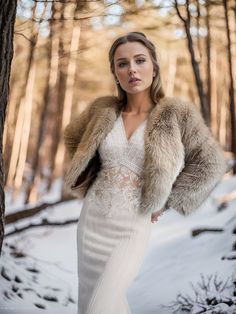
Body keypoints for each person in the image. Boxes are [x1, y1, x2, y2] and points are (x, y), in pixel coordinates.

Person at [63, 32, 227, 314]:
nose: (132, 70)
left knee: (99, 306)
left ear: (154, 66)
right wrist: (89, 175)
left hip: (133, 225)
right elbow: (72, 138)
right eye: (122, 64)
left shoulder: (176, 114)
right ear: (114, 72)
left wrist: (167, 198)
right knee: (95, 303)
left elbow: (211, 163)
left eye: (140, 60)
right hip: (92, 221)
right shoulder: (102, 110)